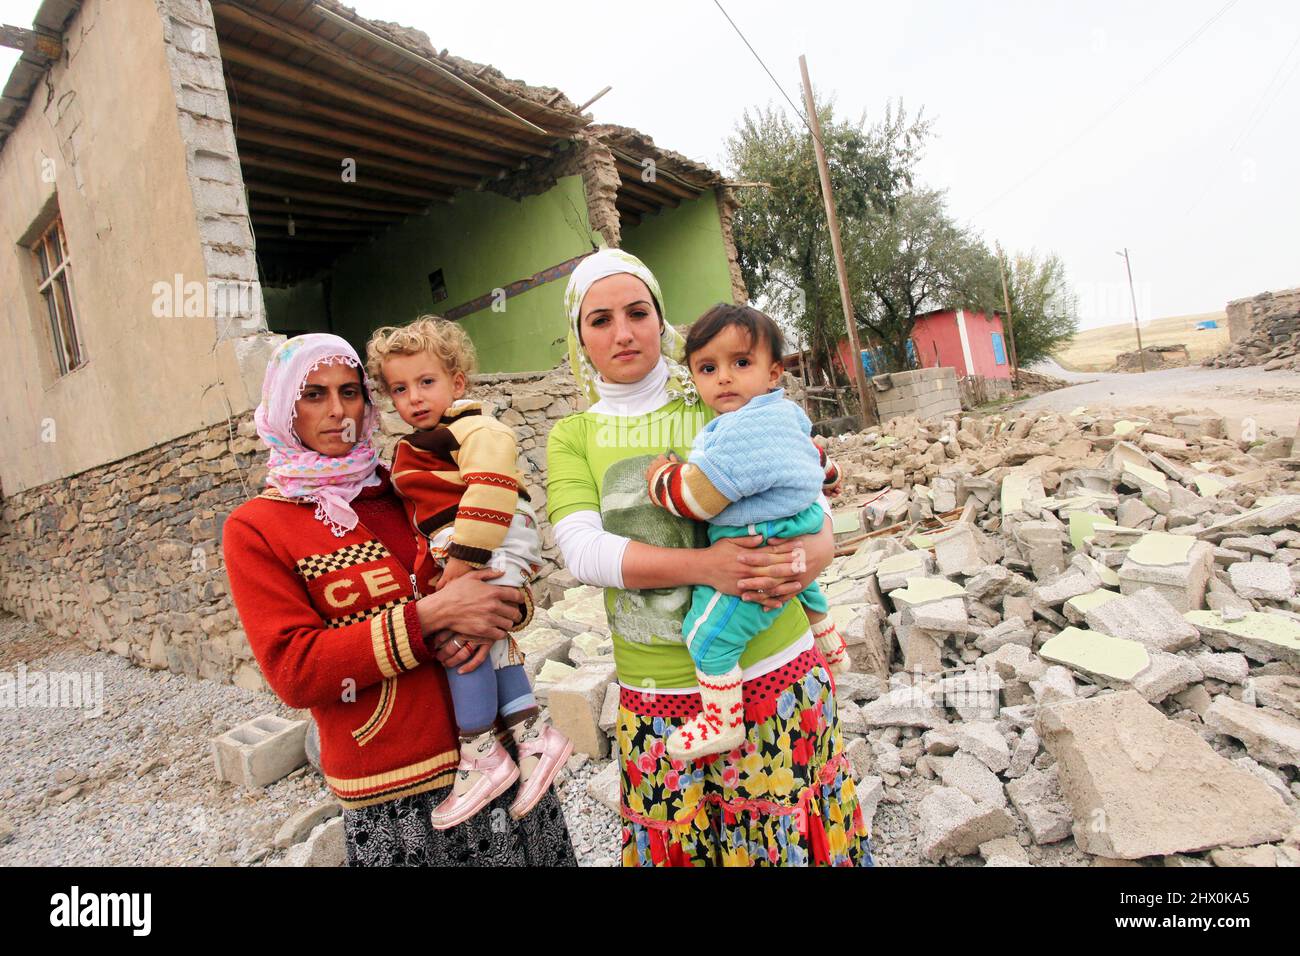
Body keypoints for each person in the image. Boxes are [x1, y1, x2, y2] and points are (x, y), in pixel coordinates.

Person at [547, 248, 875, 866]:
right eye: (600, 319)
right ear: (578, 336)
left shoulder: (718, 391)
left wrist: (806, 557)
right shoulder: (573, 435)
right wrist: (706, 568)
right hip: (658, 689)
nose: (622, 332)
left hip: (773, 669)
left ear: (660, 318)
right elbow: (583, 551)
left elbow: (809, 498)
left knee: (784, 841)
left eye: (638, 312)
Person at [222, 333, 576, 866]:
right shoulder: (258, 528)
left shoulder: (407, 485)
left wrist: (505, 605)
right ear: (282, 406)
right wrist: (431, 619)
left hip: (503, 755)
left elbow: (496, 558)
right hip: (399, 793)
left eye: (350, 392)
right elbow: (295, 669)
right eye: (314, 395)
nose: (337, 410)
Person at [365, 317, 572, 830]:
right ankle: (532, 735)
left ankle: (480, 749)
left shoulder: (474, 425)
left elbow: (491, 491)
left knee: (462, 633)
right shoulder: (429, 439)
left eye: (426, 382)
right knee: (492, 641)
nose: (413, 397)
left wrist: (457, 573)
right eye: (399, 388)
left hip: (486, 537)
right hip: (476, 542)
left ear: (458, 383)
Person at [644, 303, 850, 761]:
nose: (724, 378)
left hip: (758, 535)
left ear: (773, 371)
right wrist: (830, 476)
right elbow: (815, 457)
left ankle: (723, 720)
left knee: (708, 636)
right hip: (797, 521)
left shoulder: (743, 430)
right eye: (708, 368)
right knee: (800, 584)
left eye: (741, 363)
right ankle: (830, 642)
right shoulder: (787, 414)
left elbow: (696, 499)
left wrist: (663, 477)